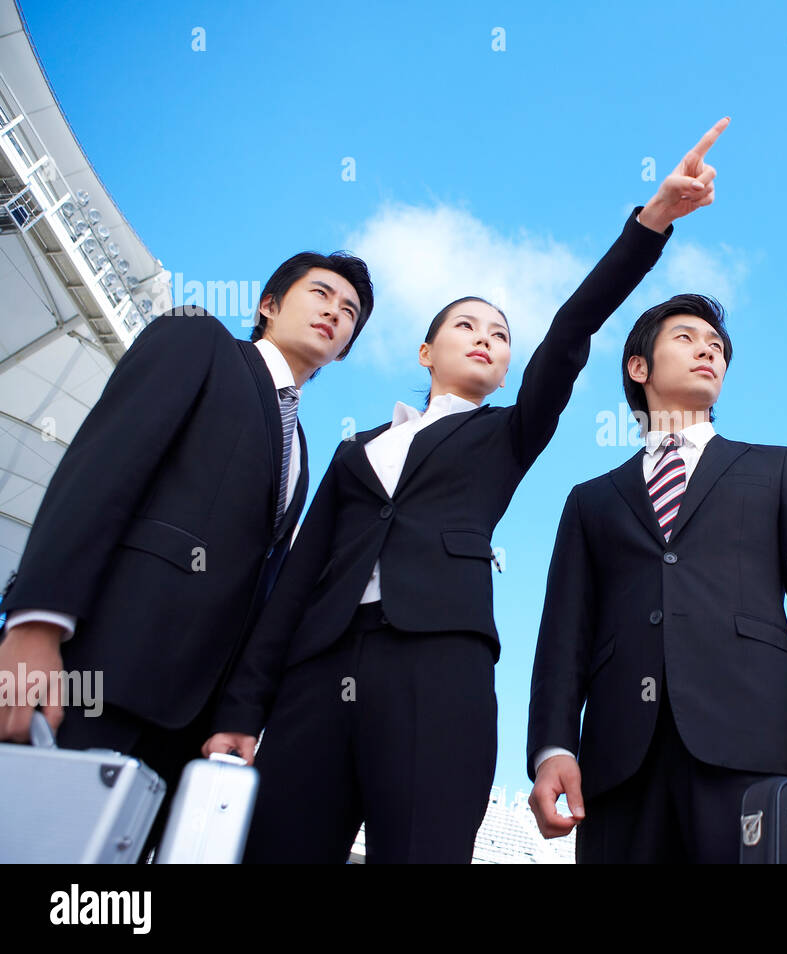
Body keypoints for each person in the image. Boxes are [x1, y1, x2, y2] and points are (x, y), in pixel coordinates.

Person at [202, 118, 730, 864]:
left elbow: (574, 326)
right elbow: (292, 586)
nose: (486, 337)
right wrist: (242, 708)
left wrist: (652, 223)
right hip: (317, 673)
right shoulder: (355, 452)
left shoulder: (507, 435)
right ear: (425, 350)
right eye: (466, 324)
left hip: (438, 671)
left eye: (501, 333)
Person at [0, 252, 374, 858]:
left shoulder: (302, 449)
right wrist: (36, 623)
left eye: (350, 311)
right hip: (95, 674)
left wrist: (236, 712)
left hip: (189, 725)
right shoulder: (198, 340)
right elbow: (102, 469)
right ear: (269, 305)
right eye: (322, 293)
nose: (335, 310)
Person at [526, 292, 787, 863]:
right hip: (619, 767)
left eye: (717, 346)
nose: (707, 351)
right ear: (639, 368)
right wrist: (552, 748)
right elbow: (563, 635)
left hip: (754, 748)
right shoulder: (590, 502)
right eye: (685, 338)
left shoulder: (777, 467)